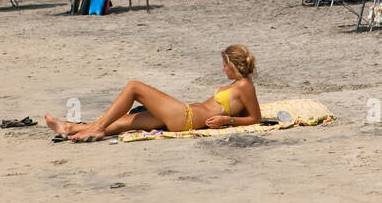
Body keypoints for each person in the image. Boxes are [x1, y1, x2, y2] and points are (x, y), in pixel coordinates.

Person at [45, 45, 262, 140]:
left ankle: (98, 128)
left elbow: (256, 118)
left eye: (224, 65)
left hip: (185, 117)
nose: (222, 69)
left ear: (233, 65)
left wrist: (227, 120)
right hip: (183, 116)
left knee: (134, 87)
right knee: (124, 121)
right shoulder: (238, 85)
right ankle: (70, 127)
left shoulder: (244, 86)